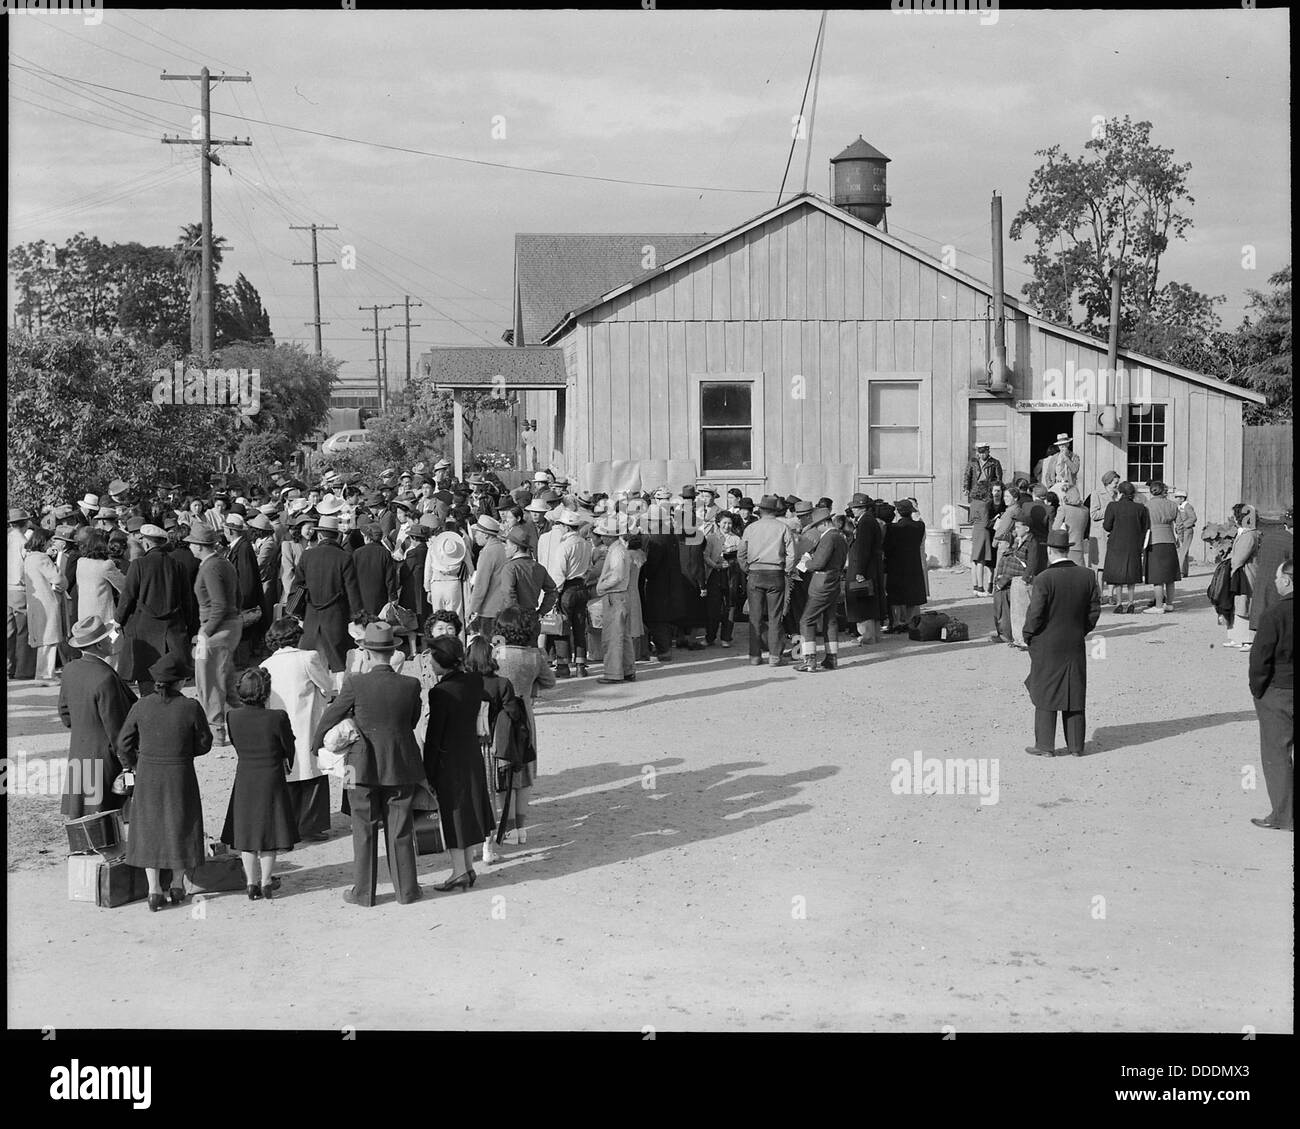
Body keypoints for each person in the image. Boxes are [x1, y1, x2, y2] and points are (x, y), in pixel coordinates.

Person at [312, 622, 425, 907]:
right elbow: (411, 721)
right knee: (400, 828)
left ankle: (363, 893)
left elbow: (331, 715)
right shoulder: (410, 685)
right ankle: (407, 891)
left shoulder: (355, 683)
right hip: (400, 762)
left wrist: (316, 744)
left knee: (362, 828)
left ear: (366, 651)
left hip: (357, 767)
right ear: (393, 652)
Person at [116, 652, 213, 911]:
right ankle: (178, 883)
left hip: (148, 772)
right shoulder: (191, 707)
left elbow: (123, 743)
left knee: (150, 827)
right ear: (179, 682)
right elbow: (205, 744)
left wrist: (135, 764)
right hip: (180, 773)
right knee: (181, 824)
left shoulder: (141, 706)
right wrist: (183, 752)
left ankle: (154, 890)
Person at [422, 634, 495, 890]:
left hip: (447, 759)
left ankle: (459, 870)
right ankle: (467, 868)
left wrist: (428, 771)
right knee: (467, 810)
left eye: (431, 657)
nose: (429, 661)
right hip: (470, 753)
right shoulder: (474, 681)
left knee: (453, 814)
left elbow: (434, 737)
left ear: (440, 660)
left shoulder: (440, 693)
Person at [221, 667, 299, 899]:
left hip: (245, 776)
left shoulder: (232, 717)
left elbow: (235, 744)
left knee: (246, 834)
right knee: (269, 832)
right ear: (266, 692)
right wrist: (287, 761)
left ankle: (251, 883)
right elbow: (288, 745)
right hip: (271, 776)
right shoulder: (277, 717)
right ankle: (266, 882)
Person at [1022, 529, 1101, 756]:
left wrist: (1029, 635)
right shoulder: (1087, 575)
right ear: (1068, 549)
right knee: (1075, 692)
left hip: (1047, 642)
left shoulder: (1044, 578)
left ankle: (1045, 746)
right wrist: (1081, 630)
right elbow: (1094, 611)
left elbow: (1035, 615)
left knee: (1045, 691)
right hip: (1075, 641)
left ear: (1049, 551)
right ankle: (1076, 747)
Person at [261, 615, 335, 841]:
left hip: (279, 725)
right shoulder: (308, 657)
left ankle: (290, 824)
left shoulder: (265, 665)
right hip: (306, 723)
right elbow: (326, 685)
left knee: (289, 775)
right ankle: (311, 825)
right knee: (313, 773)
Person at [488, 608, 556, 847]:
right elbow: (550, 681)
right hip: (525, 716)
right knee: (524, 773)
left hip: (500, 717)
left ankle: (506, 829)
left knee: (502, 773)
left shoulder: (494, 654)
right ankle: (521, 829)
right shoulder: (535, 655)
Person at [58, 615, 137, 818]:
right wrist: (130, 763)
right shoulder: (105, 677)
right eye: (108, 637)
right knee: (108, 813)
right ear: (100, 644)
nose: (112, 640)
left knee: (83, 812)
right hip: (105, 755)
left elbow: (65, 713)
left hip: (80, 749)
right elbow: (116, 728)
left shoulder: (70, 669)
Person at [114, 524, 190, 697]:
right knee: (172, 682)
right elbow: (188, 601)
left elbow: (128, 596)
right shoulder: (178, 565)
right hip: (173, 629)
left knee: (147, 682)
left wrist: (118, 619)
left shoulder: (139, 565)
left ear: (146, 544)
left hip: (145, 631)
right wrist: (189, 627)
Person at [185, 526, 243, 746]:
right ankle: (245, 723)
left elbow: (219, 604)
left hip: (216, 627)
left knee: (209, 682)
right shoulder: (224, 563)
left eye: (191, 542)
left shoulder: (210, 567)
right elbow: (237, 597)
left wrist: (205, 631)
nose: (189, 546)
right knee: (226, 679)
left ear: (199, 546)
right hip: (230, 625)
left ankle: (216, 733)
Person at [1247, 560, 1293, 830]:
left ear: (1286, 581)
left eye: (1277, 578)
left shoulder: (1273, 614)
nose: (1275, 582)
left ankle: (1284, 816)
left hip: (1278, 691)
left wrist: (1258, 689)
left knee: (1277, 755)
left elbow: (1260, 659)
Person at [295, 514, 364, 687]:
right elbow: (352, 592)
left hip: (311, 615)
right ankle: (341, 697)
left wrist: (299, 613)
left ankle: (321, 695)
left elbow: (297, 588)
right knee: (339, 661)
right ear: (337, 536)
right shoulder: (344, 557)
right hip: (336, 616)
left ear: (319, 535)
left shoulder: (307, 556)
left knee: (314, 661)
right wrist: (358, 618)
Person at [738, 495, 795, 667]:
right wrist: (786, 571)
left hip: (755, 572)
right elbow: (792, 554)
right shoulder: (783, 528)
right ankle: (774, 657)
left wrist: (747, 569)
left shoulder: (751, 528)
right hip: (775, 573)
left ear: (760, 510)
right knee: (775, 617)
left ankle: (755, 656)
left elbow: (741, 553)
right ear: (776, 511)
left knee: (755, 617)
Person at [539, 508, 592, 677]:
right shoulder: (586, 544)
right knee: (579, 626)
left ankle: (563, 665)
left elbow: (559, 573)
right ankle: (581, 665)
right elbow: (589, 568)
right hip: (581, 586)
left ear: (566, 527)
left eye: (561, 525)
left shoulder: (564, 546)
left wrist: (555, 594)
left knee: (561, 627)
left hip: (567, 588)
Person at [794, 507, 848, 672]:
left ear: (825, 523)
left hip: (821, 583)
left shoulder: (828, 538)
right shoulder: (841, 536)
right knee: (830, 620)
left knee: (806, 620)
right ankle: (832, 658)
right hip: (834, 582)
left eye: (817, 526)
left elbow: (818, 564)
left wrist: (805, 563)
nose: (816, 529)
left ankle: (809, 659)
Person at [640, 504, 686, 663]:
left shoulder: (657, 538)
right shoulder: (669, 535)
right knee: (663, 618)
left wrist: (644, 572)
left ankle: (664, 651)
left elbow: (652, 564)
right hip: (669, 582)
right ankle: (664, 649)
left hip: (658, 584)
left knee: (657, 618)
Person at [593, 514, 636, 683]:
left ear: (610, 536)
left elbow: (617, 575)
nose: (601, 537)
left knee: (613, 637)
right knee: (623, 636)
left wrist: (601, 587)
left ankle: (613, 673)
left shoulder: (617, 551)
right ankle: (627, 670)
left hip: (615, 595)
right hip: (621, 595)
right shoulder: (618, 549)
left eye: (604, 534)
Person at [23, 527, 66, 683]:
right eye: (49, 540)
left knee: (43, 638)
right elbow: (57, 578)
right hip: (48, 601)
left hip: (35, 603)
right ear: (43, 541)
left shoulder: (29, 558)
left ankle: (43, 673)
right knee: (49, 638)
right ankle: (46, 674)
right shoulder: (42, 558)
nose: (51, 543)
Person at [1102, 481, 1149, 614]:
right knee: (1131, 574)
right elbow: (1145, 527)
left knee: (1118, 574)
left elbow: (1107, 526)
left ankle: (1119, 603)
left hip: (1116, 542)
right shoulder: (1140, 508)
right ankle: (1131, 602)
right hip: (1133, 543)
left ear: (1120, 493)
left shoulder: (1113, 506)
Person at [989, 513, 1034, 647]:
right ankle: (1012, 637)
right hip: (1010, 582)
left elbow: (1021, 566)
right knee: (1007, 612)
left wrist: (1000, 583)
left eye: (1018, 526)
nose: (1015, 529)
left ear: (1027, 528)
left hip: (1015, 582)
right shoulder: (1019, 542)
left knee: (1009, 612)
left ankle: (1011, 637)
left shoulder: (1029, 543)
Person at [883, 499, 927, 632]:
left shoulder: (892, 528)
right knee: (912, 595)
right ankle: (910, 621)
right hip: (913, 564)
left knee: (896, 596)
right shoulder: (920, 526)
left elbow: (887, 547)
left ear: (898, 512)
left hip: (896, 564)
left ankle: (897, 622)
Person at [1224, 503, 1261, 650]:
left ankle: (1248, 639)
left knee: (1245, 603)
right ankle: (1237, 637)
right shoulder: (1245, 532)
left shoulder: (1249, 535)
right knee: (1238, 603)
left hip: (1245, 573)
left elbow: (1239, 558)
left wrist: (1230, 569)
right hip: (1241, 572)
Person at [466, 515, 508, 639]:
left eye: (478, 533)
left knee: (488, 646)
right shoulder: (504, 548)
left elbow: (481, 584)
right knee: (501, 647)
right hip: (504, 606)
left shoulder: (487, 552)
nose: (475, 536)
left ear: (486, 535)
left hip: (489, 609)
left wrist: (472, 608)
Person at [1142, 481, 1180, 614]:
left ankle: (1158, 606)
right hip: (1169, 539)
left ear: (1151, 491)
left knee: (1157, 576)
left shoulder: (1146, 506)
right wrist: (1178, 538)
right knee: (1170, 576)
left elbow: (1144, 524)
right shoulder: (1172, 505)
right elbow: (1179, 524)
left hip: (1154, 539)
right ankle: (1169, 604)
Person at [353, 523, 399, 617]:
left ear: (367, 537)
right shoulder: (385, 553)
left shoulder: (357, 553)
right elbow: (390, 578)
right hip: (379, 596)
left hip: (360, 595)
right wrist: (393, 596)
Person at [1087, 471, 1121, 598]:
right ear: (1108, 482)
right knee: (1100, 566)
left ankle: (1111, 595)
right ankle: (1100, 594)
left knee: (1112, 565)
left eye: (1117, 483)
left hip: (1113, 533)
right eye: (1115, 483)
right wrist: (1110, 508)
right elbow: (1094, 514)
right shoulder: (1096, 494)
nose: (1116, 485)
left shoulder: (1117, 494)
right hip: (1100, 533)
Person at [968, 483, 997, 594]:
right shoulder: (984, 504)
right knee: (981, 560)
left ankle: (975, 587)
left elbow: (970, 520)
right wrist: (994, 520)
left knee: (974, 559)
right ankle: (981, 587)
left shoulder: (973, 503)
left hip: (975, 529)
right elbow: (986, 523)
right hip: (983, 531)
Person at [1173, 488, 1198, 579]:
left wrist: (1185, 525)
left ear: (1182, 498)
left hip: (1187, 530)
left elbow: (1193, 518)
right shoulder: (1179, 507)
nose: (1175, 499)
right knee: (1183, 550)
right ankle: (1184, 571)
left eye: (1177, 497)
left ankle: (1180, 571)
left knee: (1182, 550)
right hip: (1180, 531)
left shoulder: (1187, 506)